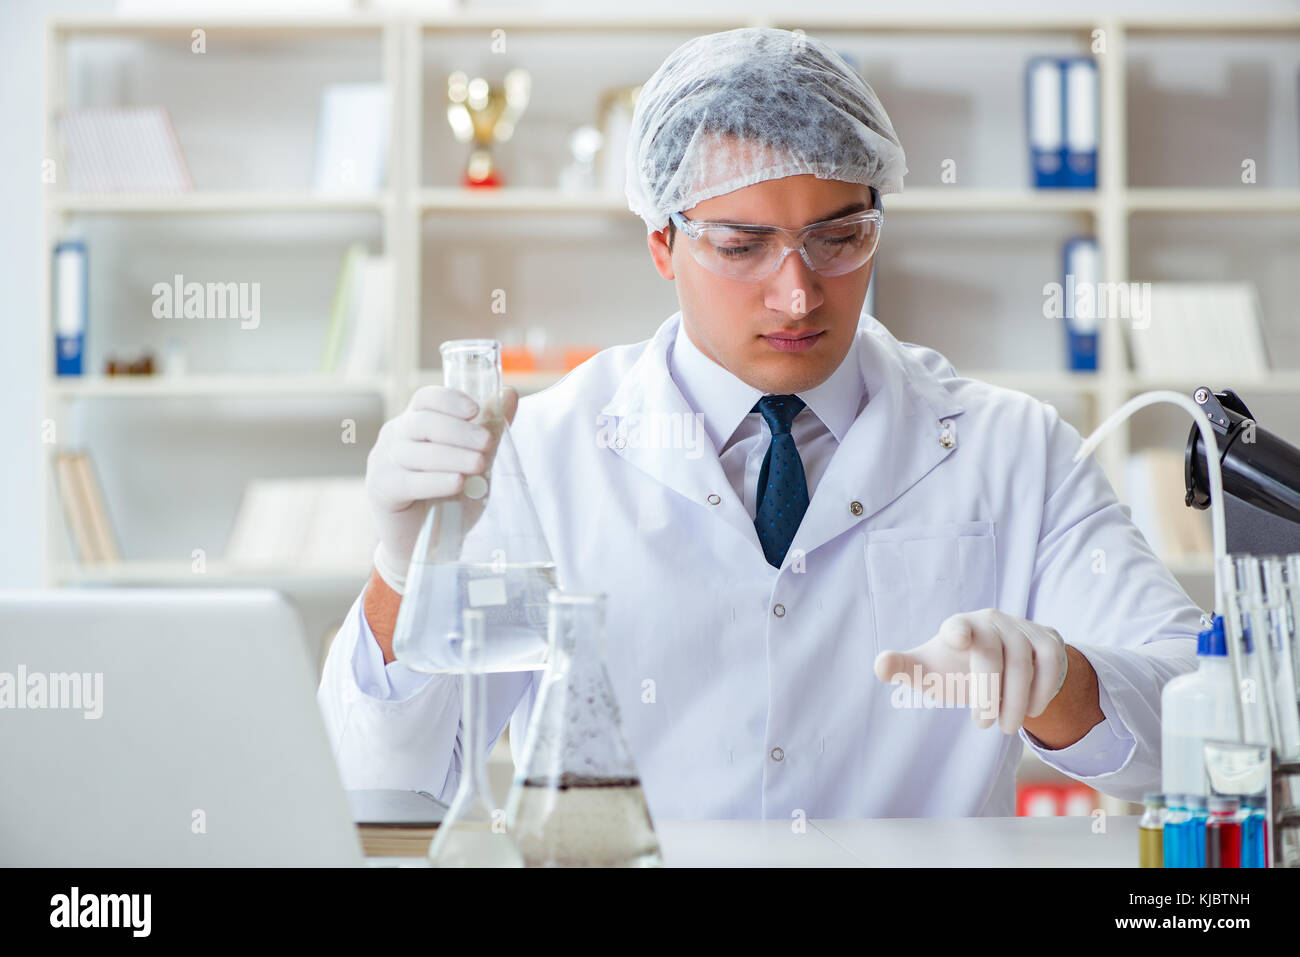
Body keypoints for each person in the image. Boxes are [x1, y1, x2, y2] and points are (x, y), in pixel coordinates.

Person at [318, 27, 1202, 818]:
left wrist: (1064, 685)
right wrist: (404, 572)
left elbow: (1202, 727)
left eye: (840, 237)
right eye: (742, 246)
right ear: (661, 242)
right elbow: (384, 780)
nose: (798, 292)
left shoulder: (1012, 449)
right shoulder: (546, 453)